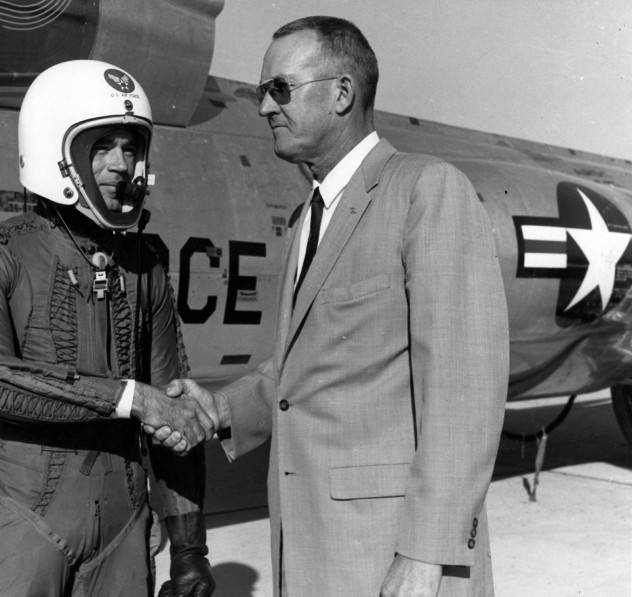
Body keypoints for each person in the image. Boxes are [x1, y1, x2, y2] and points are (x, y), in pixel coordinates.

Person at [158, 16, 509, 597]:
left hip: (392, 552)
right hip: (313, 551)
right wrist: (220, 407)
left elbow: (463, 390)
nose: (265, 107)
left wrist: (426, 554)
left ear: (342, 92)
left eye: (279, 89)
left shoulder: (425, 190)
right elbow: (300, 376)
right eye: (259, 92)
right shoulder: (307, 218)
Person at [0, 60, 216, 597]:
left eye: (131, 147)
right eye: (102, 147)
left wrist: (189, 548)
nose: (123, 165)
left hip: (124, 531)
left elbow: (176, 413)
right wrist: (131, 400)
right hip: (22, 523)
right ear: (57, 151)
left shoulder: (146, 265)